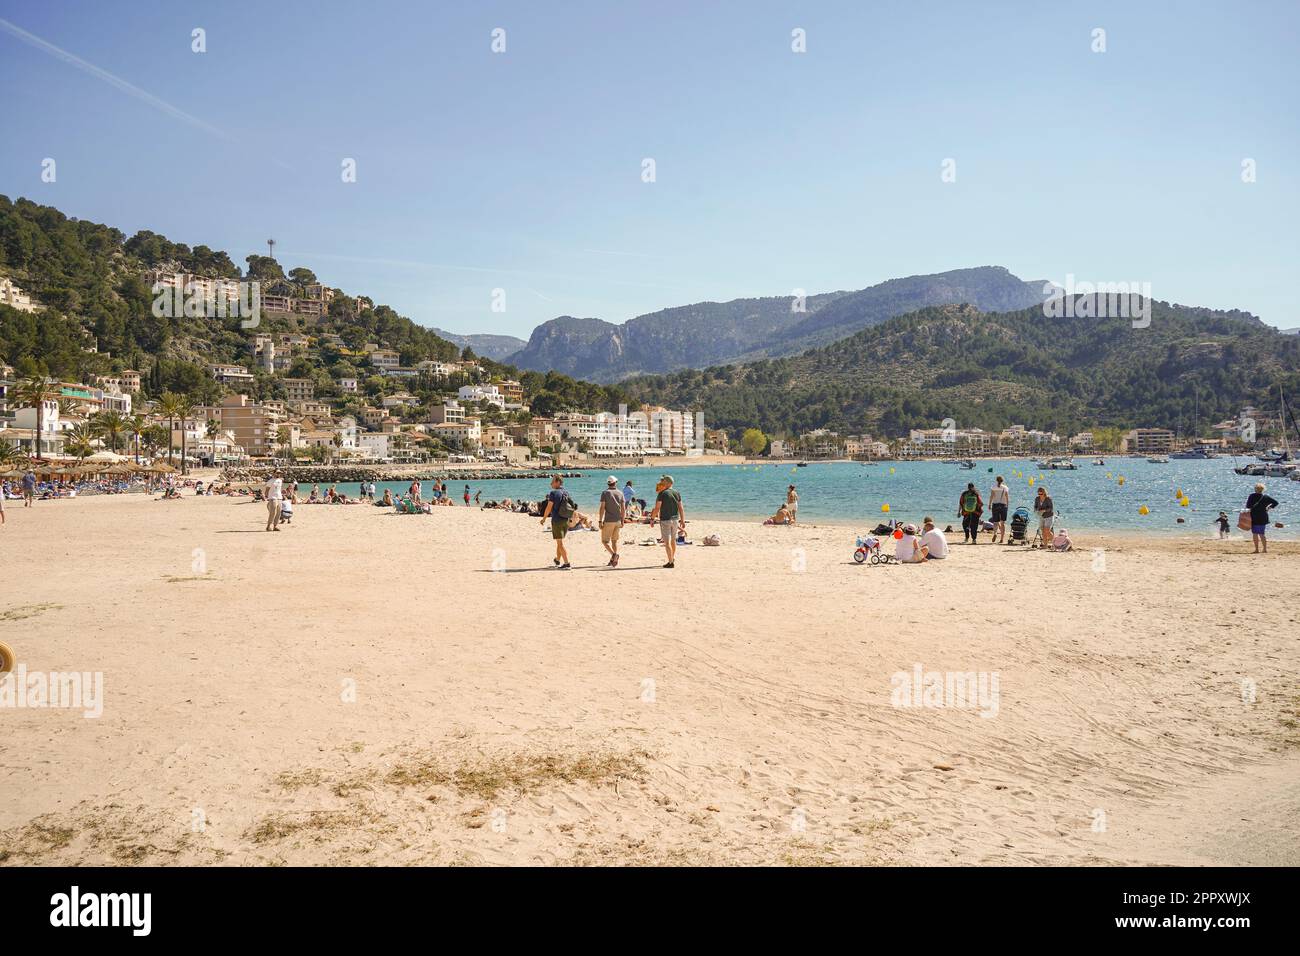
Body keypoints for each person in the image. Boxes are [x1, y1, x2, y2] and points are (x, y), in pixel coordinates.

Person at [648, 474, 684, 568]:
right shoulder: (677, 492)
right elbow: (681, 508)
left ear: (667, 482)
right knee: (673, 541)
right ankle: (672, 557)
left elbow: (657, 508)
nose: (661, 482)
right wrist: (682, 520)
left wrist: (652, 519)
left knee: (667, 542)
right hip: (675, 520)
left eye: (663, 481)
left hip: (665, 520)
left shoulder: (662, 493)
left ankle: (671, 562)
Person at [540, 476, 575, 569]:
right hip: (565, 520)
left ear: (558, 482)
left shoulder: (553, 493)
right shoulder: (566, 492)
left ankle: (567, 564)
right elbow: (572, 506)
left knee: (560, 543)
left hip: (557, 520)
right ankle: (558, 560)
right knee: (560, 541)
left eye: (552, 482)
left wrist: (544, 518)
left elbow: (549, 507)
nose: (551, 484)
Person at [598, 475, 625, 567]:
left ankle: (614, 555)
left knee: (605, 541)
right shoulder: (620, 493)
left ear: (608, 483)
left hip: (609, 520)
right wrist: (623, 520)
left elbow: (602, 508)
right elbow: (623, 508)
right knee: (614, 541)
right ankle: (613, 560)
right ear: (615, 482)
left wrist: (600, 521)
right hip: (618, 520)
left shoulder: (605, 493)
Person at [1245, 483, 1279, 554]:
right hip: (1263, 516)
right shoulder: (1265, 497)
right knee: (1262, 533)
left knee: (1255, 533)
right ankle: (1264, 549)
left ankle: (1257, 549)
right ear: (1263, 489)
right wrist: (1268, 507)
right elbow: (1276, 502)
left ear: (1255, 489)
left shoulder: (1251, 496)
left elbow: (1248, 506)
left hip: (1254, 516)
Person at [988, 476, 1010, 544]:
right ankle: (1002, 539)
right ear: (1002, 481)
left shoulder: (993, 487)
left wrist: (989, 504)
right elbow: (1007, 498)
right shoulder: (1005, 488)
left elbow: (991, 496)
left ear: (996, 480)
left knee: (995, 522)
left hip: (995, 505)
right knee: (1002, 523)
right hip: (1003, 505)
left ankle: (995, 533)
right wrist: (1007, 506)